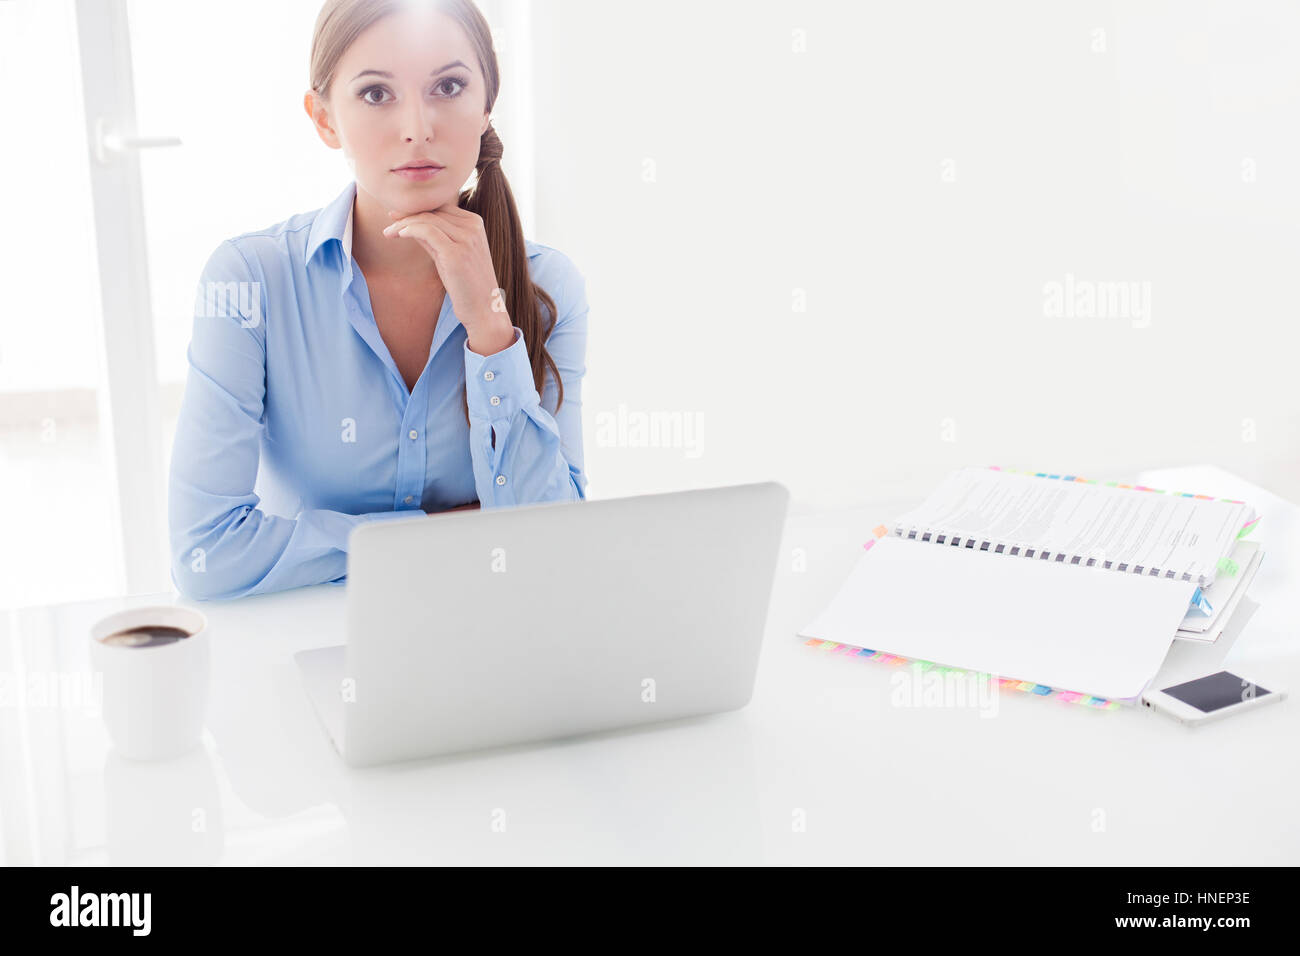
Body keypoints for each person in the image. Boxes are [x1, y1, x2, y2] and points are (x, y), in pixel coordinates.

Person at [168, 0, 588, 600]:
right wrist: (435, 534)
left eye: (448, 86)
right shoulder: (250, 282)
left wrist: (491, 331)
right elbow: (204, 553)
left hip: (492, 634)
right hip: (306, 643)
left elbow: (559, 539)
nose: (417, 126)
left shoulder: (550, 288)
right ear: (324, 119)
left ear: (487, 105)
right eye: (375, 94)